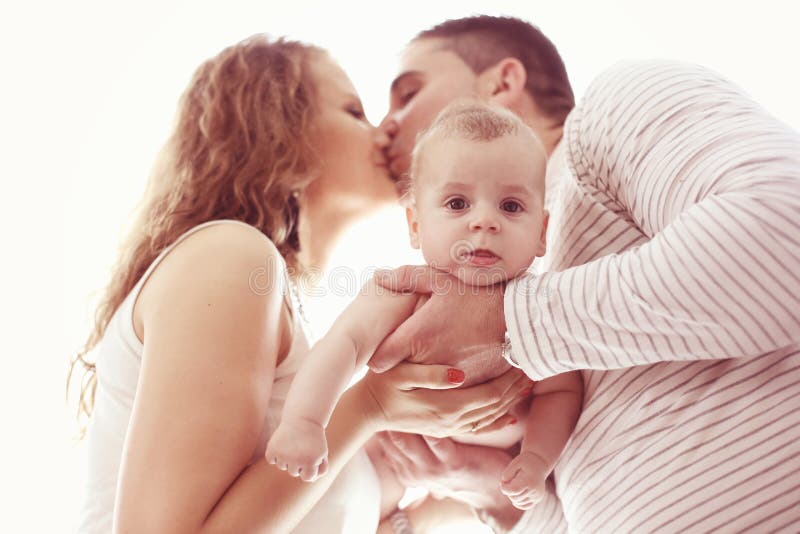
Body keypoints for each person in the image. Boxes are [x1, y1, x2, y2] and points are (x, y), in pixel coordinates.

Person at [67, 34, 528, 533]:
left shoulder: (298, 352)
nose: (386, 131)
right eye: (355, 112)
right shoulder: (228, 257)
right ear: (277, 129)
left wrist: (464, 481)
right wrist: (371, 407)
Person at [371, 15, 800, 533]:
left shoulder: (610, 111)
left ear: (501, 84)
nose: (384, 127)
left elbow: (786, 229)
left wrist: (504, 321)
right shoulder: (512, 274)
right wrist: (497, 492)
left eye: (408, 92)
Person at [266, 101, 583, 511]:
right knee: (360, 487)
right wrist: (305, 422)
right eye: (457, 204)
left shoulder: (537, 310)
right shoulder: (402, 292)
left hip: (492, 466)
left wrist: (537, 459)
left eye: (510, 206)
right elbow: (341, 346)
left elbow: (561, 389)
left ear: (541, 233)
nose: (485, 221)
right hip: (397, 450)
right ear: (415, 225)